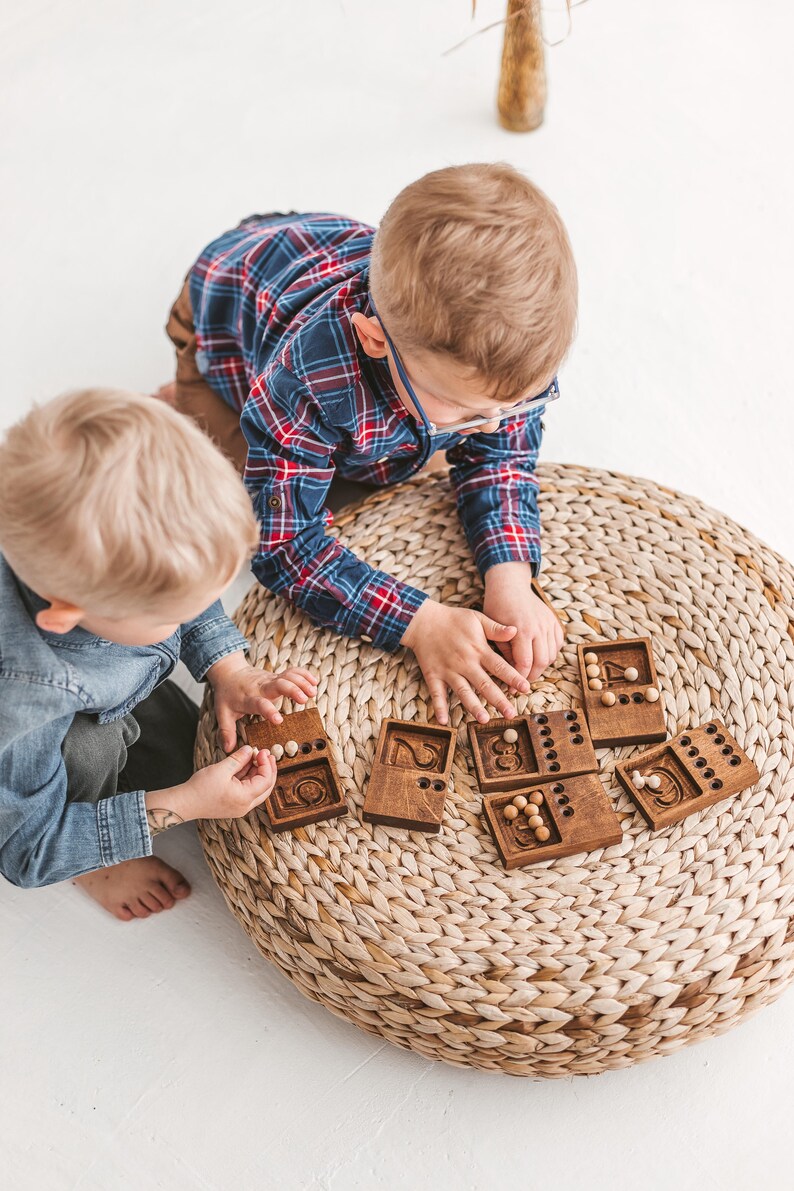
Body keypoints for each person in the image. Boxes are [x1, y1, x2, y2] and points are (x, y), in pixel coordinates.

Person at [162, 163, 577, 726]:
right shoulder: (304, 379)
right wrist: (421, 622)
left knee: (428, 447)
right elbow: (284, 545)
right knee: (228, 493)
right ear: (374, 339)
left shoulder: (484, 369)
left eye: (518, 403)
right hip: (228, 315)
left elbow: (499, 454)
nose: (495, 424)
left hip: (321, 253)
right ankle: (184, 396)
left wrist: (509, 576)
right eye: (474, 411)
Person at [0, 389, 317, 919]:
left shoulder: (79, 546)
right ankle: (92, 864)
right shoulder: (25, 697)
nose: (194, 614)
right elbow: (25, 848)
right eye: (173, 613)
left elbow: (180, 586)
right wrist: (183, 806)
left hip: (108, 674)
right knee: (101, 756)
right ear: (66, 614)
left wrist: (230, 668)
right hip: (32, 758)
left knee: (183, 752)